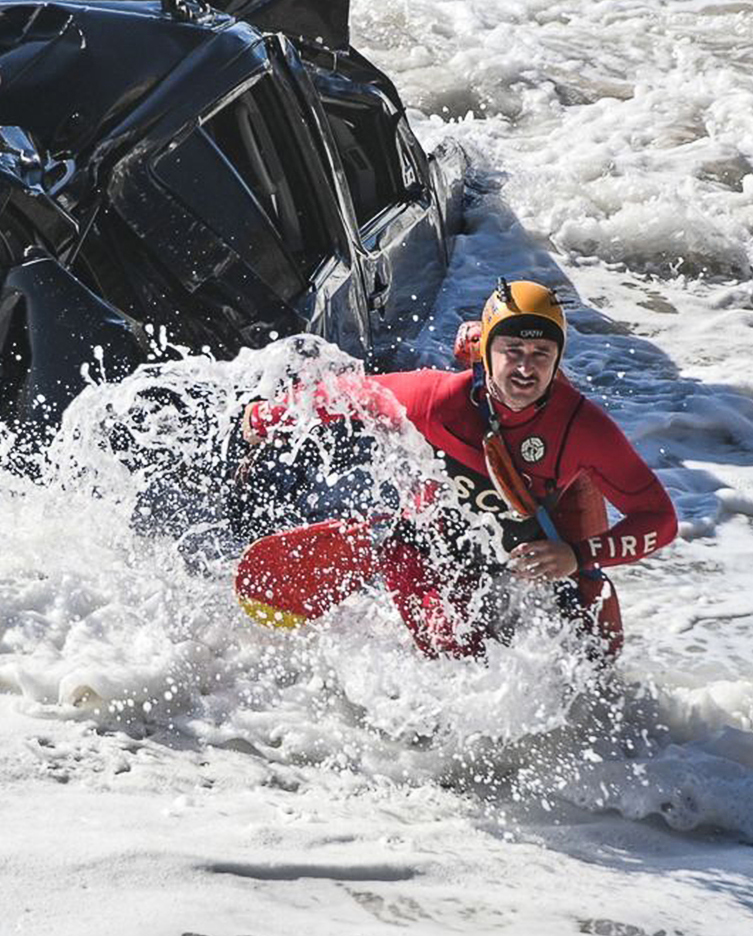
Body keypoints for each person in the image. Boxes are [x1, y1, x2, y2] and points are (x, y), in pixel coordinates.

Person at [241, 279, 678, 660]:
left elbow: (660, 519)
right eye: (513, 351)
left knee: (590, 672)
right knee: (456, 656)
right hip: (431, 550)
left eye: (542, 353)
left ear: (557, 359)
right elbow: (347, 393)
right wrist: (266, 417)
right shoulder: (434, 400)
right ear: (487, 353)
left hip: (530, 565)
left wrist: (578, 556)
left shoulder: (581, 428)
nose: (526, 368)